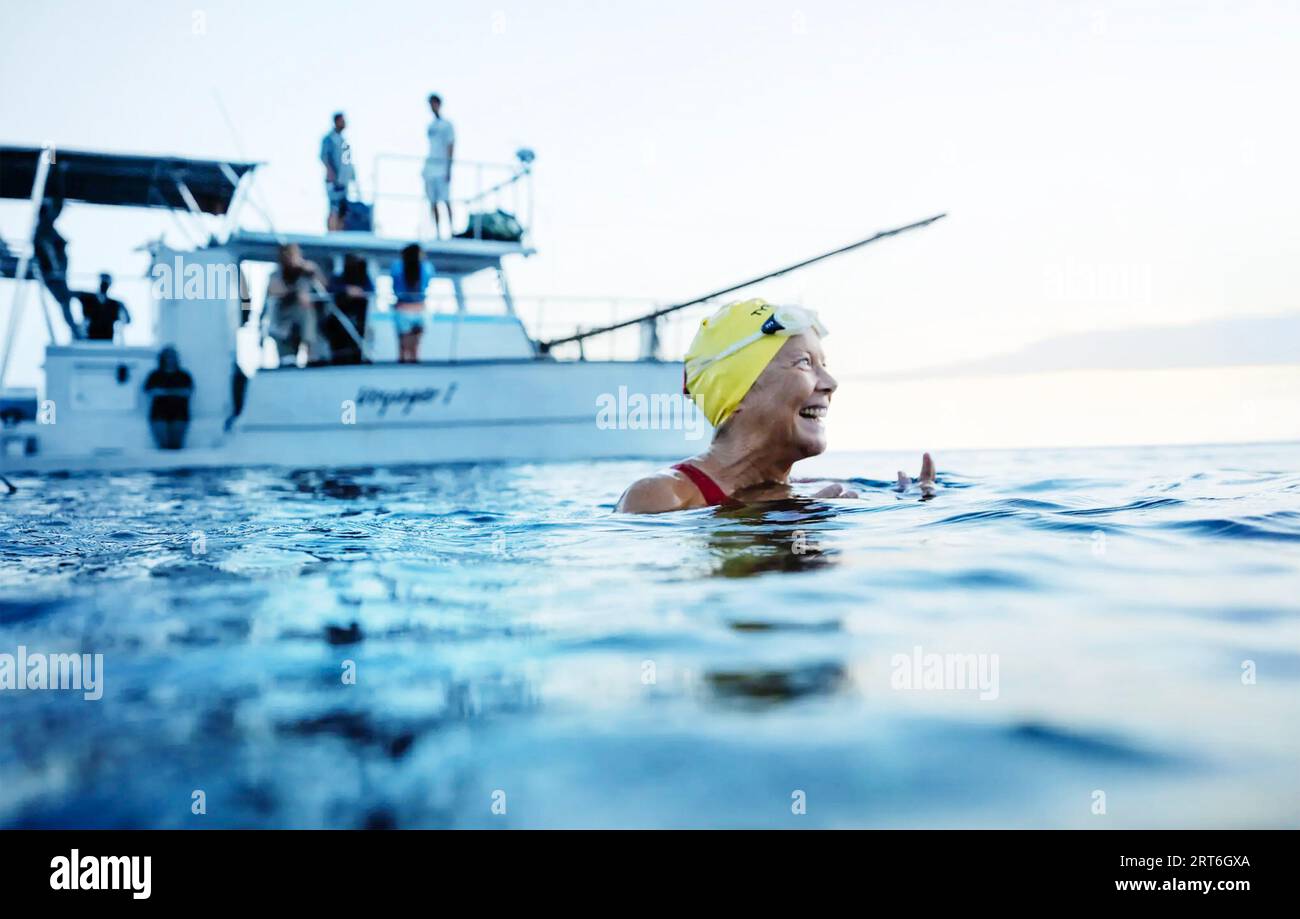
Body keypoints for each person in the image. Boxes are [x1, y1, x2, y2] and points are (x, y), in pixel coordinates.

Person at [616, 299, 937, 513]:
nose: (830, 382)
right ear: (737, 393)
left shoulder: (810, 489)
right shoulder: (660, 497)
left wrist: (913, 501)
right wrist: (786, 522)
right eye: (804, 363)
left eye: (824, 364)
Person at [264, 244, 330, 365]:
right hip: (284, 327)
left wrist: (314, 271)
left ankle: (310, 358)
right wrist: (296, 294)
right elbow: (275, 290)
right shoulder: (276, 275)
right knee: (287, 362)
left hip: (307, 327)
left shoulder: (307, 273)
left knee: (308, 316)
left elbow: (325, 287)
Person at [33, 194, 81, 339]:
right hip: (54, 275)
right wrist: (55, 268)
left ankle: (75, 329)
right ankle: (75, 330)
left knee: (64, 301)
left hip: (57, 274)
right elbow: (47, 248)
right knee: (64, 301)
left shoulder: (45, 227)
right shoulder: (44, 229)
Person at [143, 346, 194, 450]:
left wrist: (164, 392)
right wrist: (175, 392)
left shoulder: (184, 375)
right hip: (159, 414)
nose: (170, 359)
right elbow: (150, 391)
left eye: (172, 357)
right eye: (168, 357)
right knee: (163, 446)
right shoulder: (155, 375)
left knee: (176, 446)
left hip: (180, 414)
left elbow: (187, 392)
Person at [325, 255, 372, 365]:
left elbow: (371, 290)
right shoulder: (337, 279)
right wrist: (346, 290)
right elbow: (330, 289)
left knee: (356, 349)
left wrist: (359, 292)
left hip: (359, 322)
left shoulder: (364, 280)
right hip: (338, 322)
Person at [390, 243, 431, 363]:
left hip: (403, 309)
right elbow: (427, 283)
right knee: (415, 348)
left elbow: (395, 286)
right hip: (420, 309)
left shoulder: (397, 266)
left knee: (403, 348)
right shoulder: (427, 267)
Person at [422, 94, 455, 238]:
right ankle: (437, 232)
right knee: (433, 200)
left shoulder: (447, 125)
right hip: (430, 167)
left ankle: (451, 230)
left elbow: (450, 146)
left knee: (445, 199)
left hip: (442, 167)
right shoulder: (431, 126)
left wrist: (449, 167)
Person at [320, 112, 355, 231]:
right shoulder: (329, 139)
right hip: (333, 181)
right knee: (333, 207)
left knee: (343, 210)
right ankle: (331, 231)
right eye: (342, 120)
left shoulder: (344, 142)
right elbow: (324, 157)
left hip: (343, 181)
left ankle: (339, 231)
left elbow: (347, 161)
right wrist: (331, 174)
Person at [76, 273, 131, 341]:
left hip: (107, 343)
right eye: (102, 281)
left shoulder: (115, 304)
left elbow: (127, 320)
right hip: (88, 341)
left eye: (106, 282)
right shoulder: (87, 298)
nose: (104, 285)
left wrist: (123, 308)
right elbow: (66, 295)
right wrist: (76, 328)